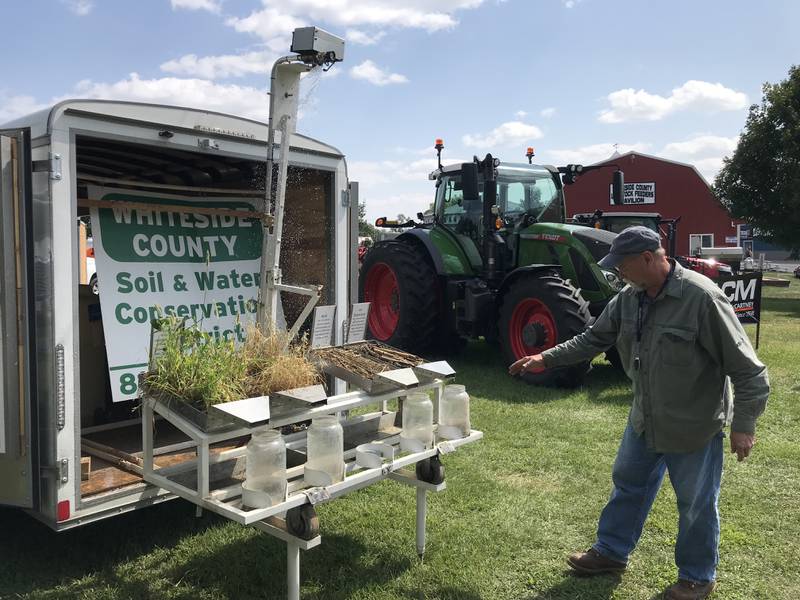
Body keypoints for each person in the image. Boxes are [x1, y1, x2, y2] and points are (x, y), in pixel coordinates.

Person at [509, 226, 769, 600]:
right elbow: (592, 339)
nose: (618, 272)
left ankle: (697, 577)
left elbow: (749, 371)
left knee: (695, 504)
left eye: (623, 265)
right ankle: (611, 553)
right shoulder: (629, 298)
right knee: (628, 484)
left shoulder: (702, 298)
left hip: (693, 424)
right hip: (645, 418)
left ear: (648, 258)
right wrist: (545, 358)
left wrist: (744, 425)